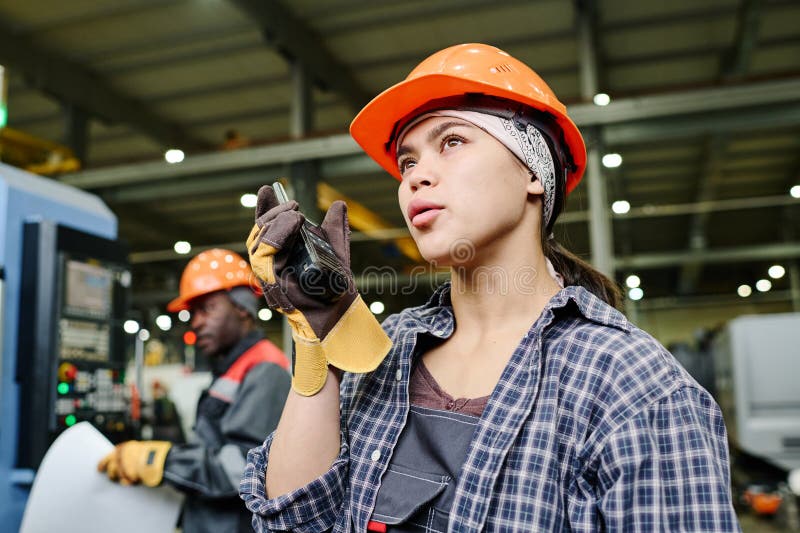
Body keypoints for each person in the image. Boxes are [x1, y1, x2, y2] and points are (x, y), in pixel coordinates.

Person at [240, 44, 740, 532]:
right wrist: (318, 341)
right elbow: (293, 521)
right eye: (408, 162)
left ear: (533, 171)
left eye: (452, 142)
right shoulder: (387, 353)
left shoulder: (632, 386)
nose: (416, 178)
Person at [98, 248, 291, 533]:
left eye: (207, 309)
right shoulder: (231, 368)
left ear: (242, 308)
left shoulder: (266, 371)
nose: (196, 322)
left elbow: (243, 468)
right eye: (192, 313)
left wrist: (161, 461)